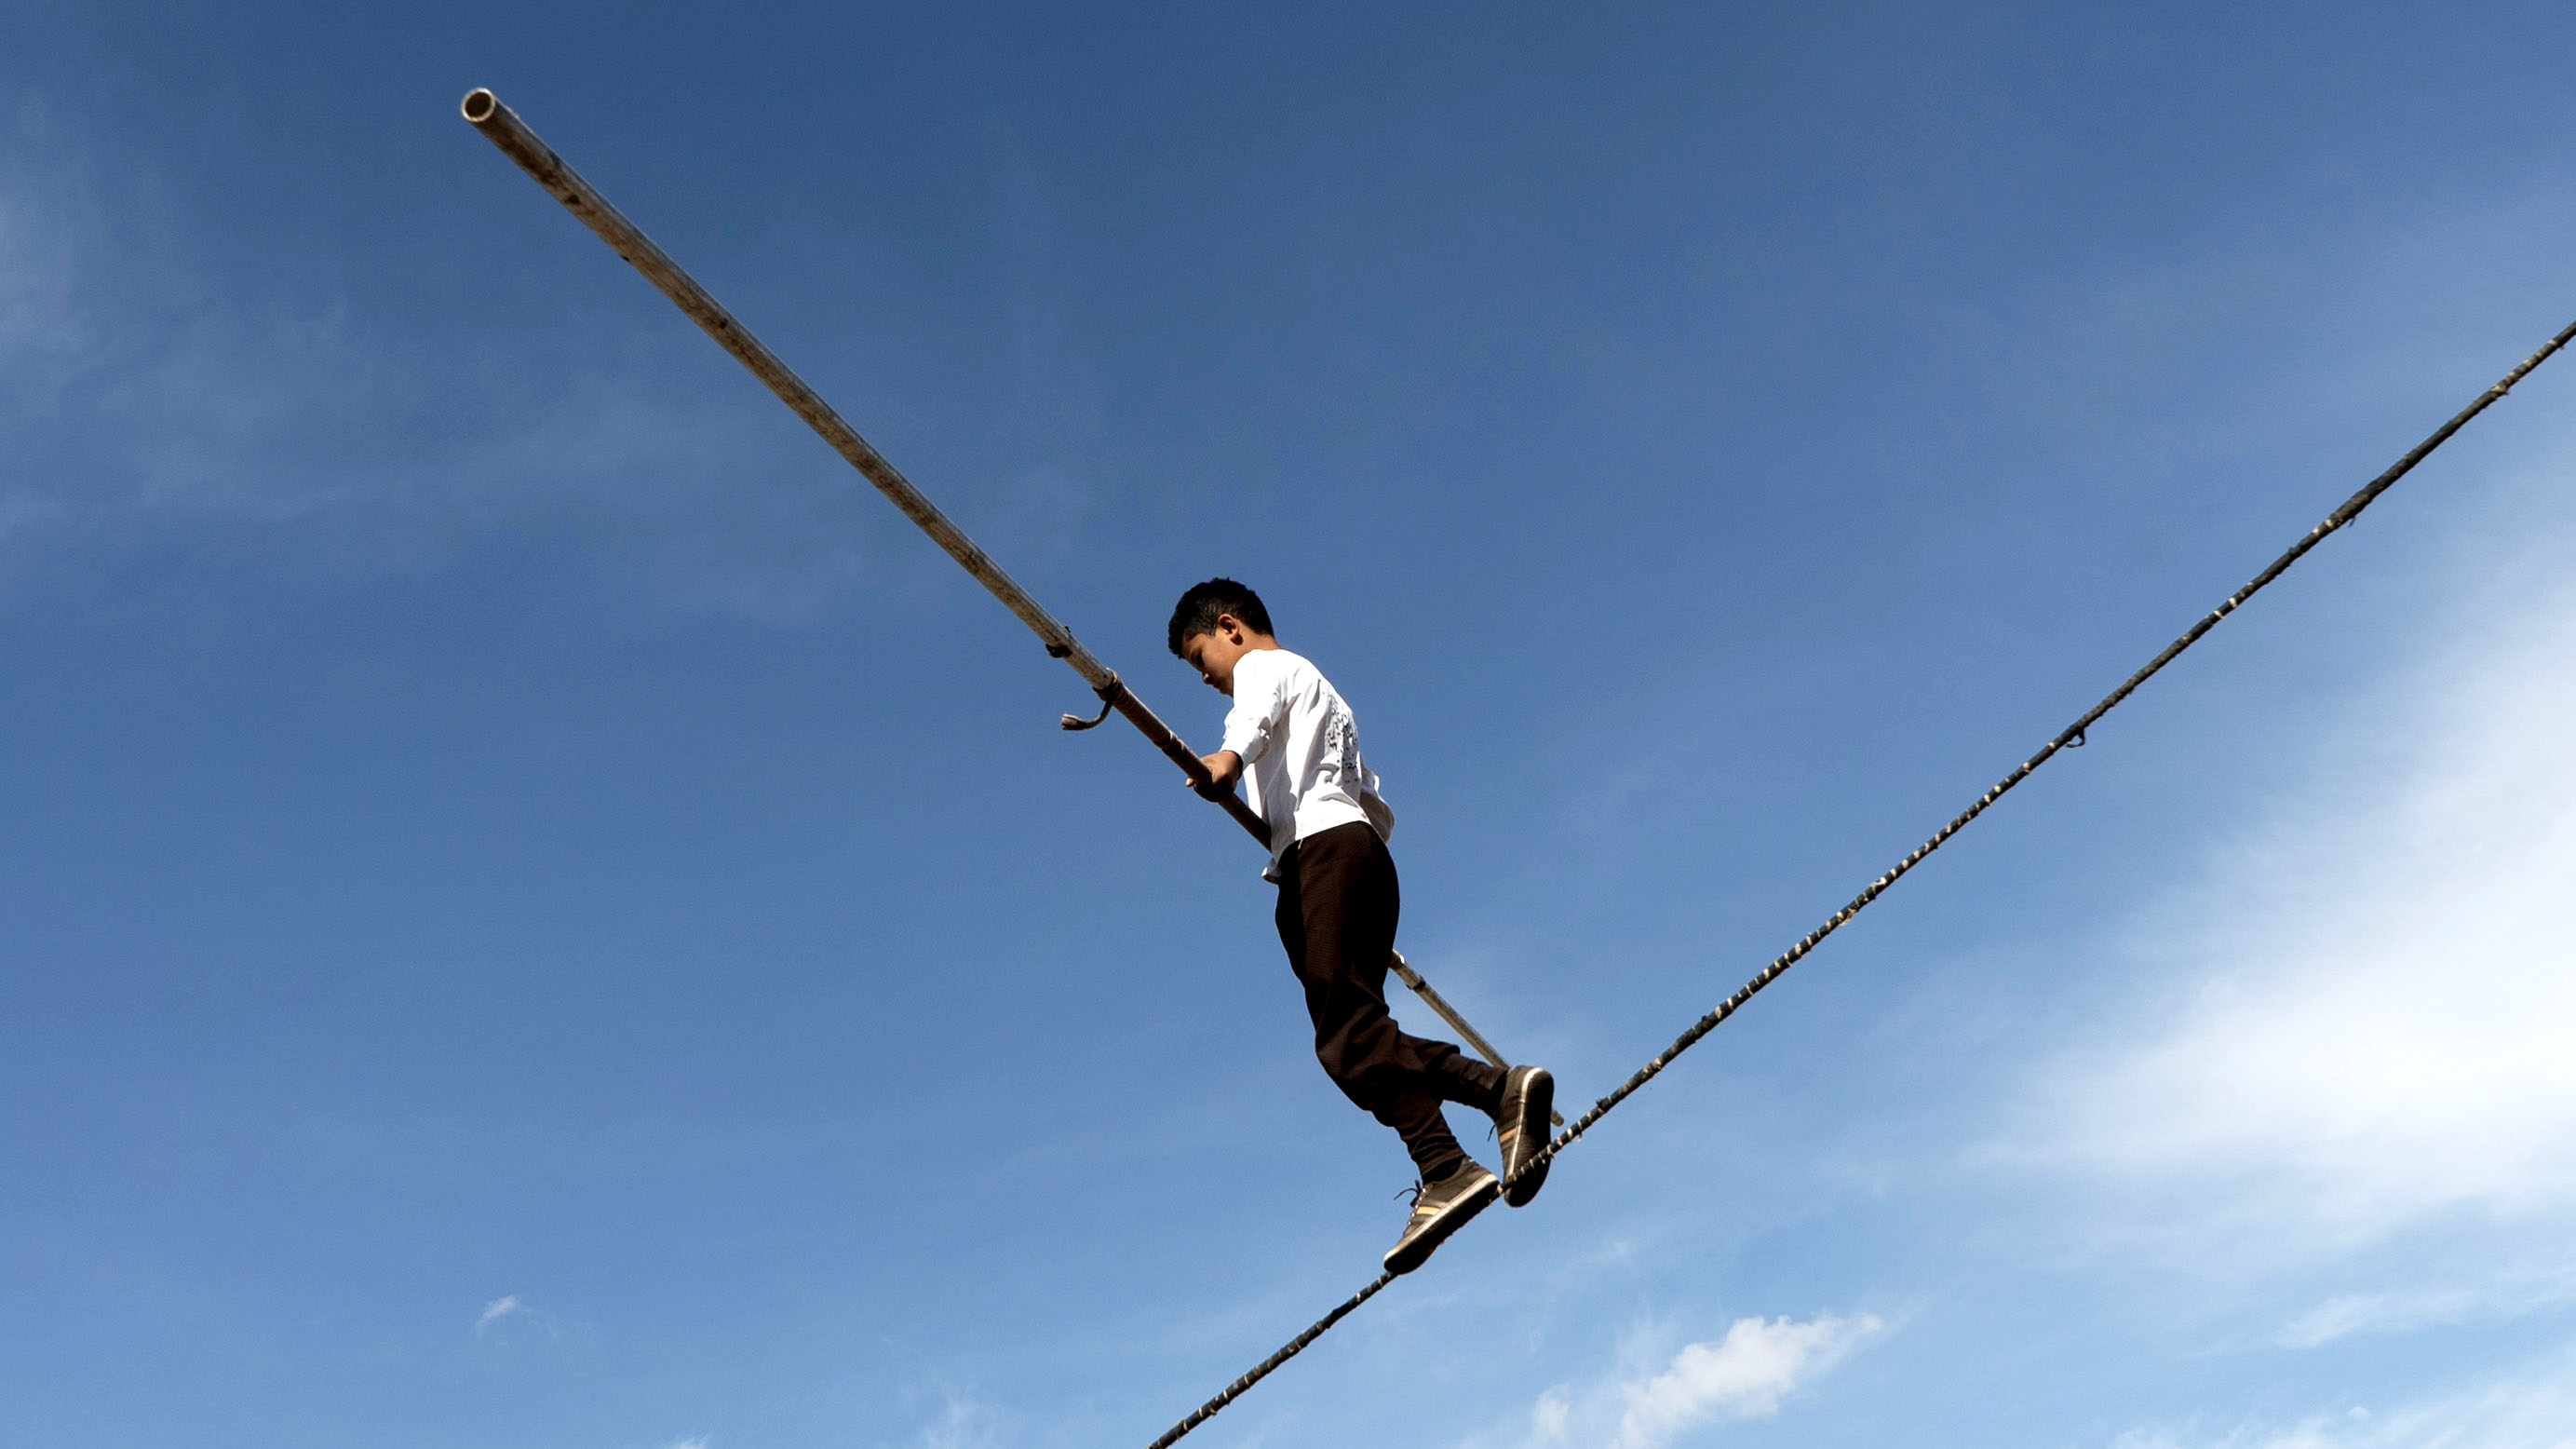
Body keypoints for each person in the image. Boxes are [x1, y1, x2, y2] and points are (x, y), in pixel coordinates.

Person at [1167, 577, 1554, 1274]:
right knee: (1359, 1033)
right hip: (1355, 854)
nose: (1204, 678)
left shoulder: (1265, 668)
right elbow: (1363, 790)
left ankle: (1472, 1126)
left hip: (1326, 855)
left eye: (1200, 659)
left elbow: (1247, 720)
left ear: (1229, 628)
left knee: (1344, 1038)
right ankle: (1468, 1134)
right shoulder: (1323, 694)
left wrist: (1225, 761)